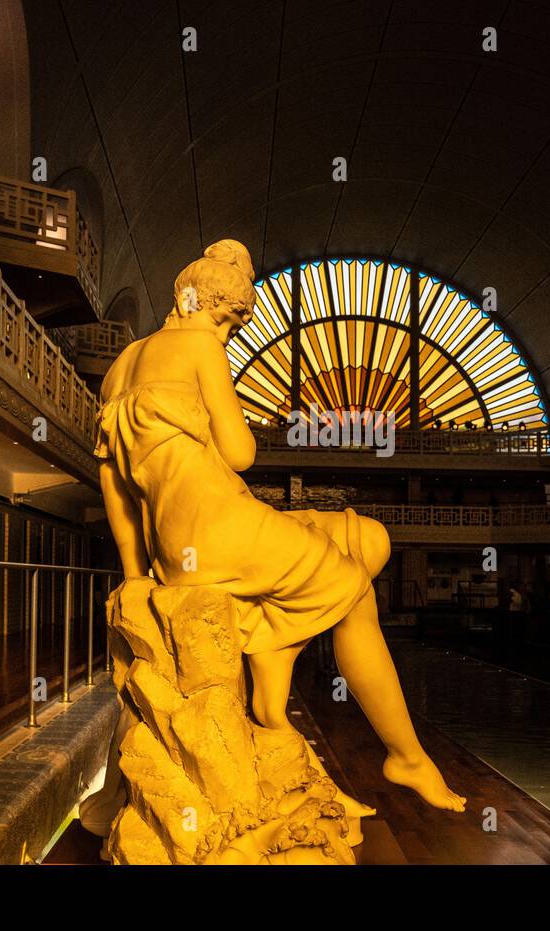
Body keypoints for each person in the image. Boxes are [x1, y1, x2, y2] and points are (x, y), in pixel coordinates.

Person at [95, 239, 464, 814]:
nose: (229, 335)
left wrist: (138, 575)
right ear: (206, 306)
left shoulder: (119, 369)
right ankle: (406, 757)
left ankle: (279, 651)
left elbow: (116, 492)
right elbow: (241, 452)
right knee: (354, 590)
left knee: (364, 538)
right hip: (223, 531)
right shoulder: (199, 346)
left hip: (184, 547)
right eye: (230, 323)